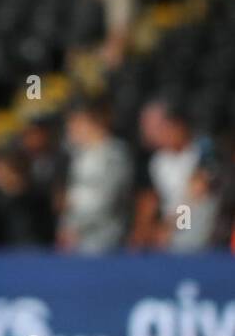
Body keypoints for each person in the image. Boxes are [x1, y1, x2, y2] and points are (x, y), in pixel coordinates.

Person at [135, 99, 223, 252]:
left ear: (176, 124)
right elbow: (151, 200)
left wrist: (170, 228)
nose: (151, 133)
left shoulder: (203, 149)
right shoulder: (157, 161)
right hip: (174, 228)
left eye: (158, 127)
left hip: (201, 227)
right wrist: (144, 230)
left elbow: (196, 193)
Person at [57, 100, 133, 253]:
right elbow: (71, 199)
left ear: (91, 123)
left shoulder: (114, 154)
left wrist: (77, 228)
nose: (70, 130)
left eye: (75, 124)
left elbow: (108, 198)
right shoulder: (78, 156)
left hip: (104, 239)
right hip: (76, 240)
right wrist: (66, 227)